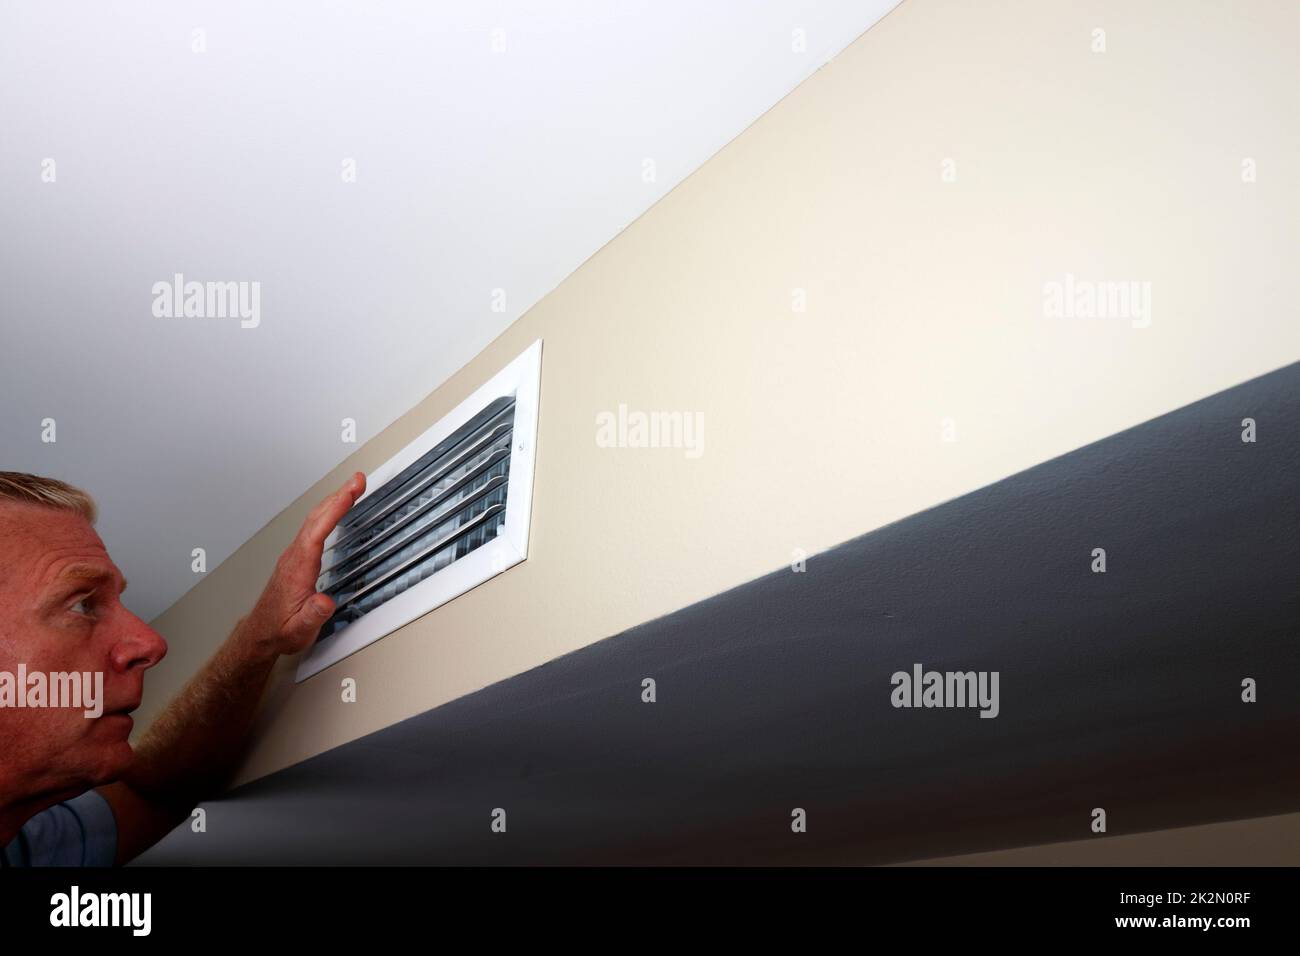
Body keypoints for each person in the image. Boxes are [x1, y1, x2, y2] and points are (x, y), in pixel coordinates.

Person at [0, 469, 365, 865]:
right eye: (82, 604)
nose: (151, 643)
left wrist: (260, 637)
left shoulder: (30, 848)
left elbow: (155, 795)